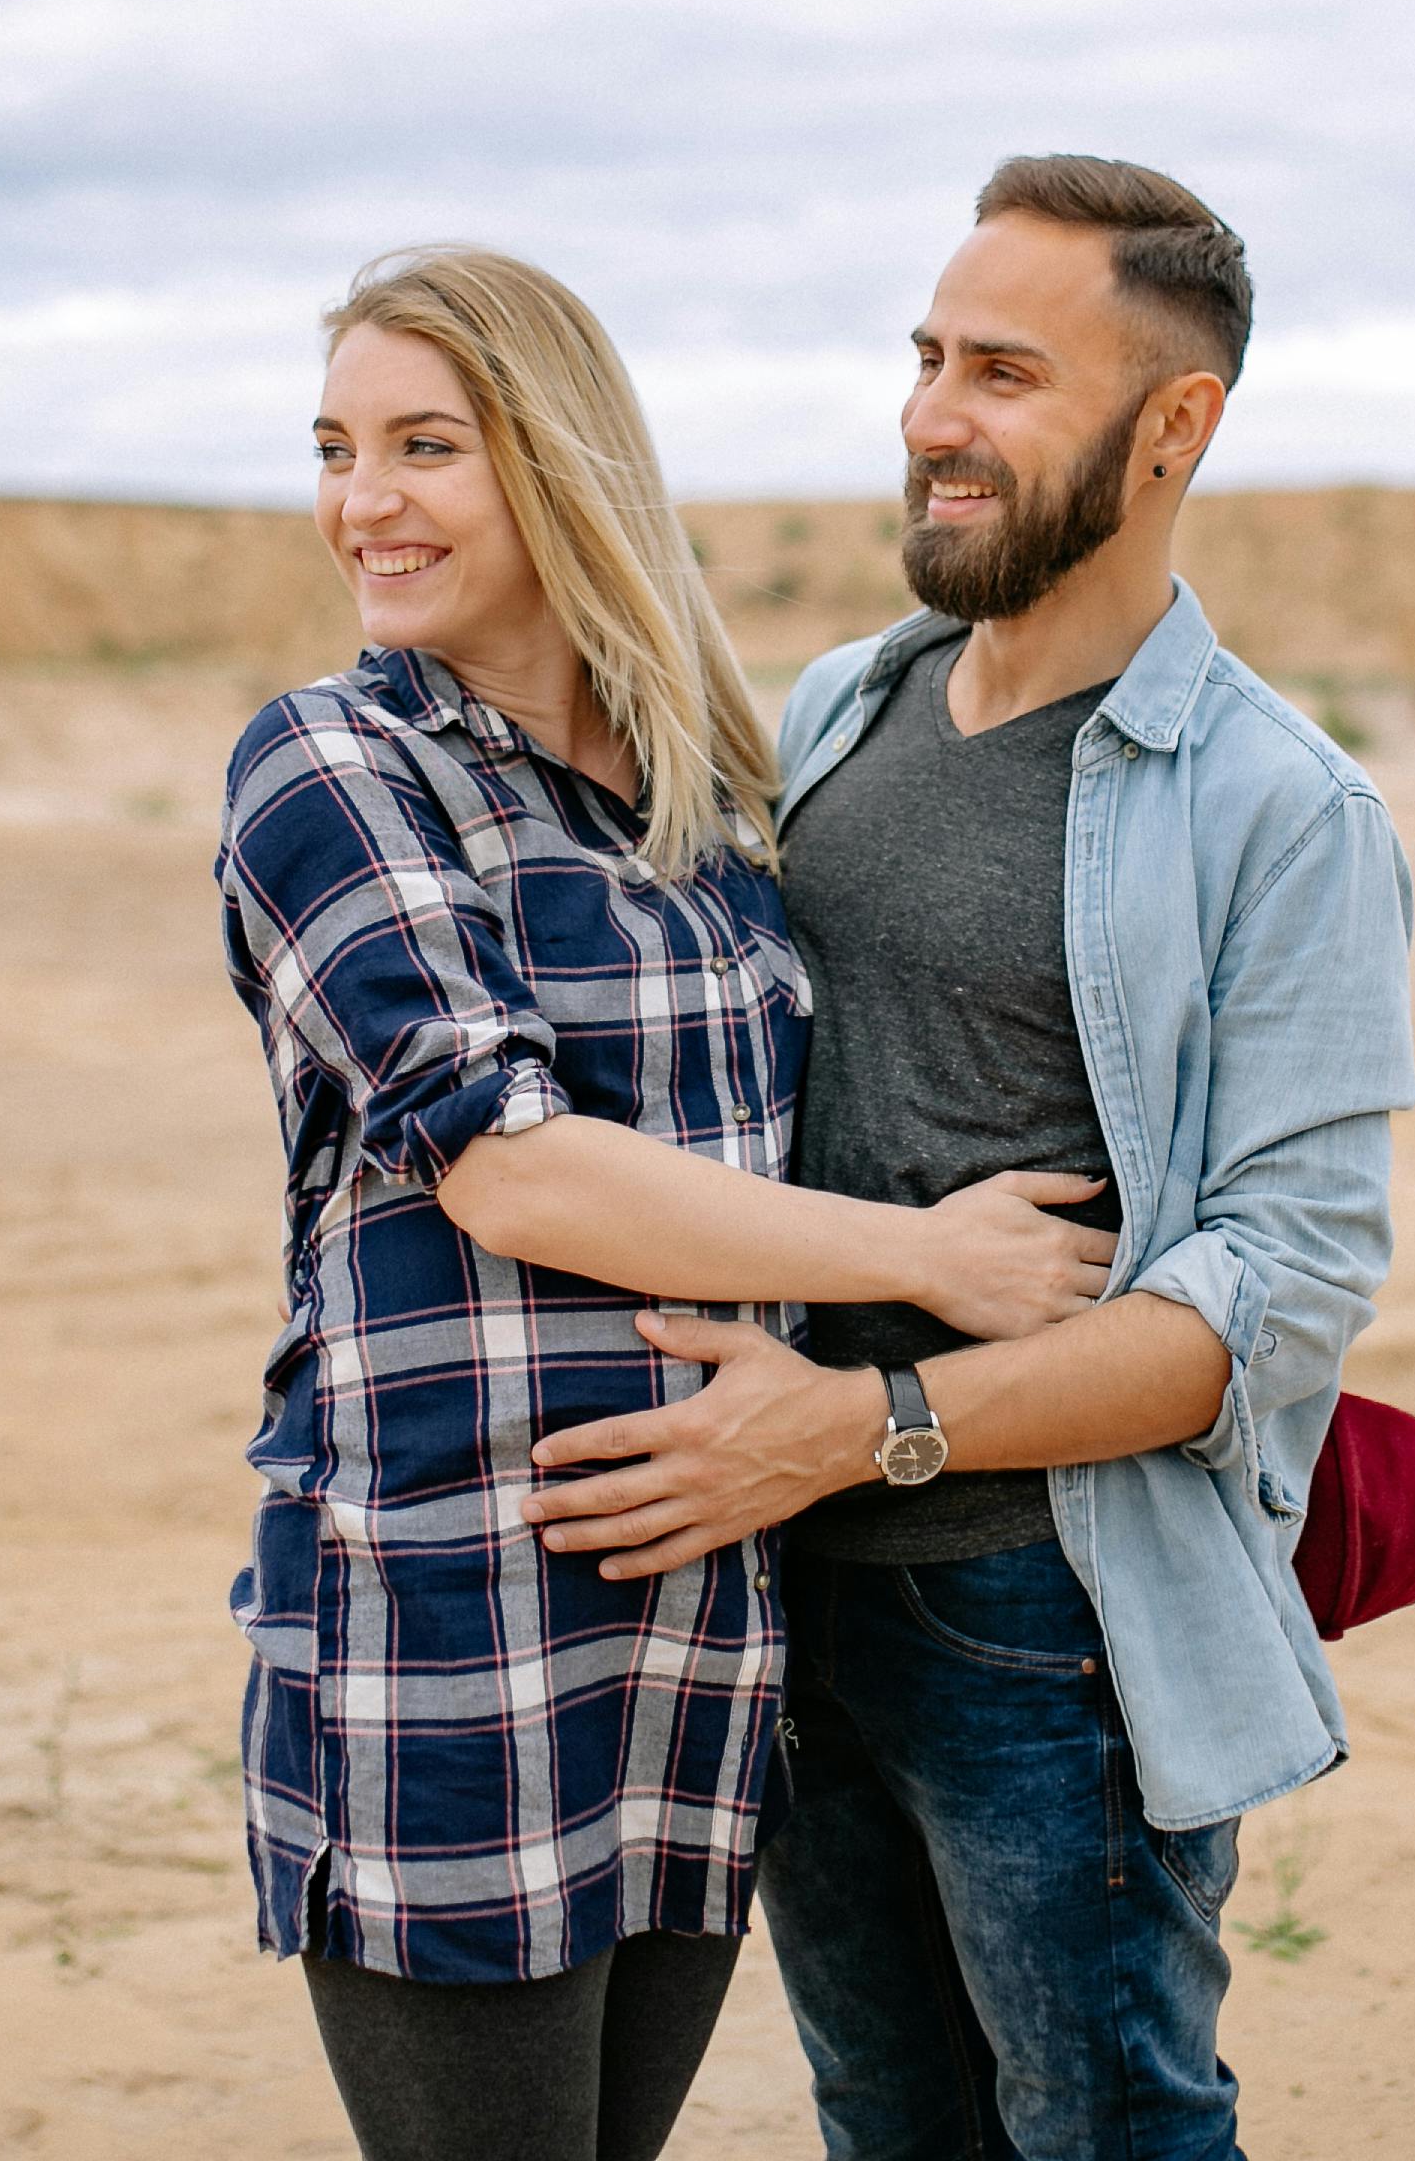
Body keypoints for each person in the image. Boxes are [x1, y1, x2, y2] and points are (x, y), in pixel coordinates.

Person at [519, 157, 1415, 2159]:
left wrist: (856, 1428)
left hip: (1052, 1619)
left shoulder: (1282, 812)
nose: (932, 414)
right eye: (928, 356)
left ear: (1173, 427)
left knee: (1105, 2125)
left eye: (1005, 371)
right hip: (785, 1589)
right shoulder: (851, 703)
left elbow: (1266, 1310)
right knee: (888, 2124)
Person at [211, 245, 1114, 2161]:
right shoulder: (334, 766)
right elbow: (512, 1167)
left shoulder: (705, 784)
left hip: (704, 1611)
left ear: (558, 466)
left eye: (426, 446)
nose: (364, 501)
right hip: (458, 1613)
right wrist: (933, 1262)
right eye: (337, 448)